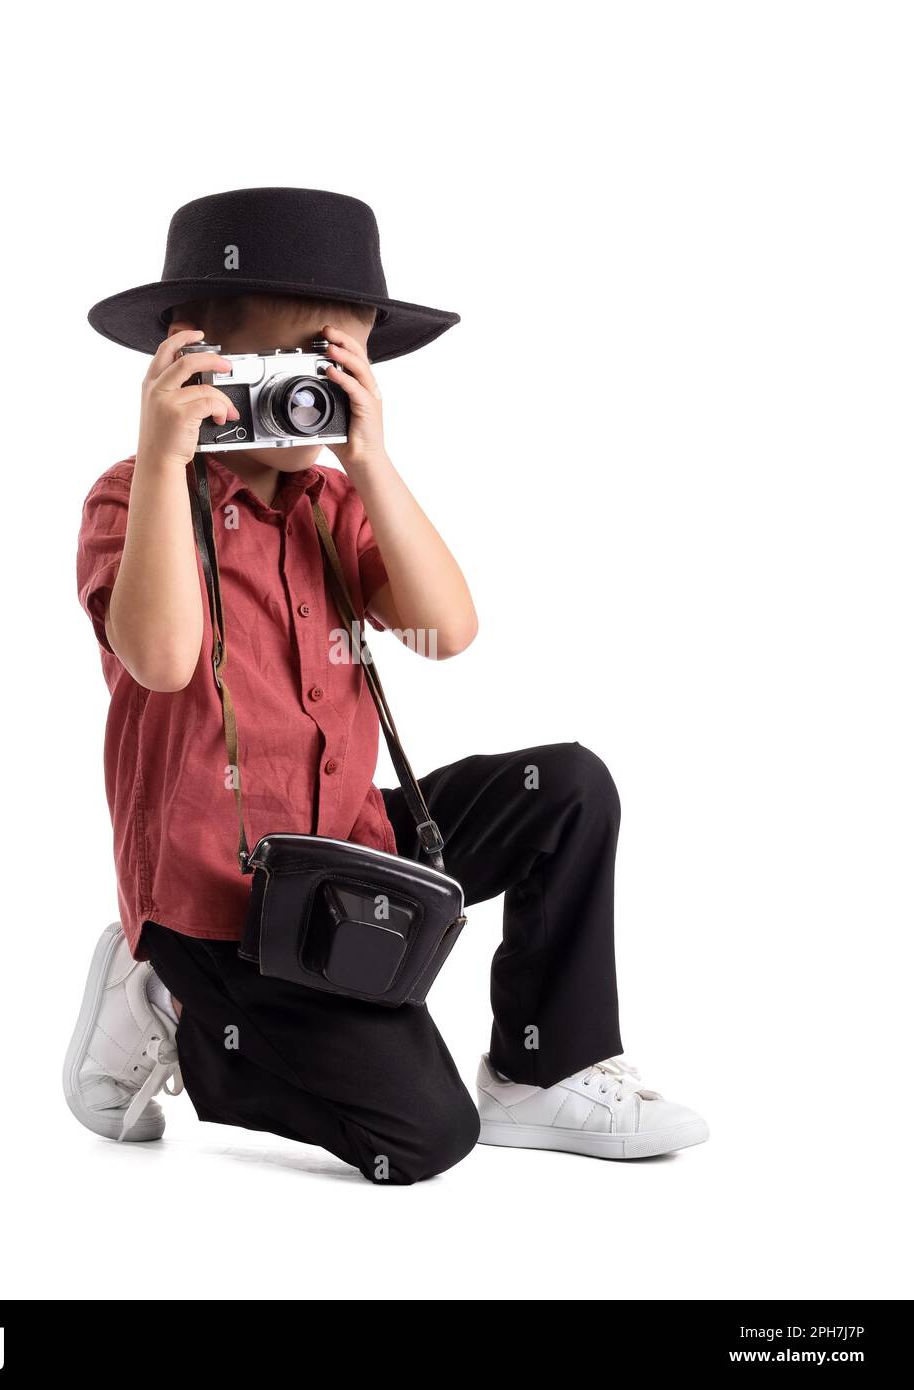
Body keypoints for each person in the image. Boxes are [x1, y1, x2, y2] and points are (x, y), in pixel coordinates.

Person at [63, 187, 708, 1184]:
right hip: (221, 910)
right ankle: (176, 1014)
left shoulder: (333, 502)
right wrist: (163, 457)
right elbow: (162, 658)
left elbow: (444, 631)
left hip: (342, 846)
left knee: (567, 788)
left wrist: (367, 458)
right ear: (197, 359)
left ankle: (540, 1070)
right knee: (422, 1136)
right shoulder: (137, 495)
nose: (309, 399)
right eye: (289, 367)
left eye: (336, 369)